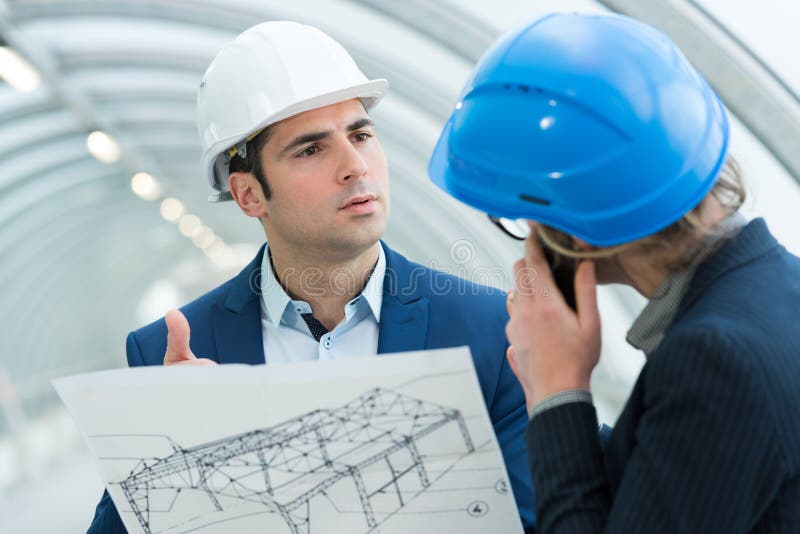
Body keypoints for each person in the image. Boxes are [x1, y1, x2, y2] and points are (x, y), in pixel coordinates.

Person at [87, 21, 534, 533]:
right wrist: (164, 437)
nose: (355, 166)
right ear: (249, 194)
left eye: (361, 135)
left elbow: (542, 517)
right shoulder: (170, 354)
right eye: (310, 149)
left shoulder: (491, 329)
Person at [429, 12, 800, 533]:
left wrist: (557, 388)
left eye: (517, 217)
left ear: (571, 230)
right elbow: (668, 487)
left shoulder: (715, 360)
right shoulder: (777, 289)